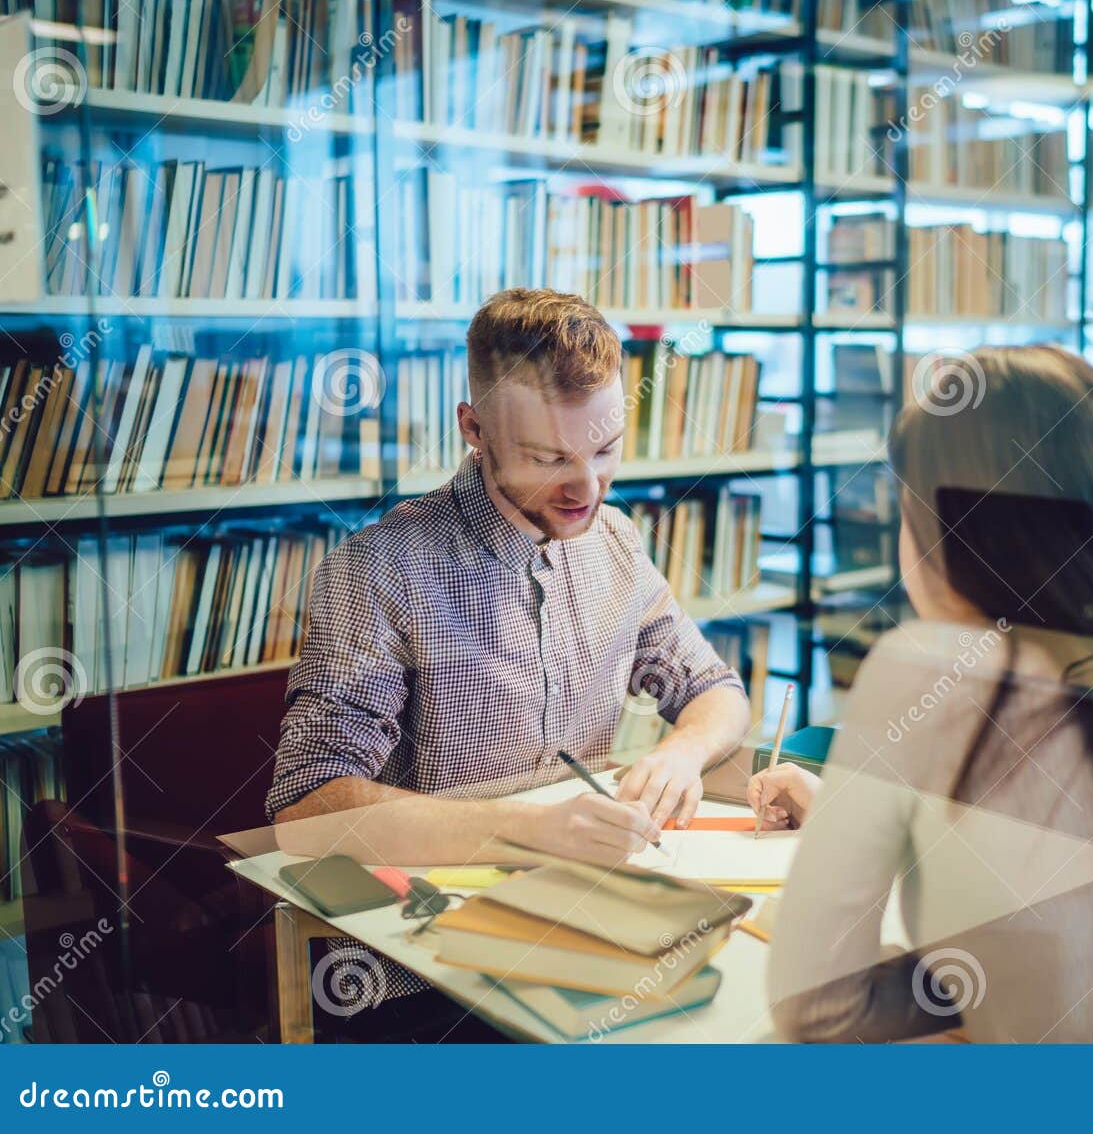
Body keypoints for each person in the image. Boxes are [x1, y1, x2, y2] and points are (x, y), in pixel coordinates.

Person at [747, 345, 1093, 1043]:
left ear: (944, 526)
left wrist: (960, 960)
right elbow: (1075, 912)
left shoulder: (924, 666)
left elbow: (816, 1006)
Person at [265, 288, 751, 1039]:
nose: (587, 487)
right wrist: (531, 829)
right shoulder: (378, 571)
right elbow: (304, 812)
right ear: (474, 429)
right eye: (549, 457)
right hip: (422, 972)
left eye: (605, 448)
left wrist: (683, 753)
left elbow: (715, 690)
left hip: (592, 934)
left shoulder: (615, 542)